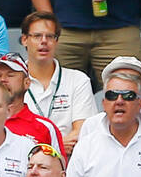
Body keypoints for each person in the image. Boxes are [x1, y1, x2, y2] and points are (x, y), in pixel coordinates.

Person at [21, 11, 96, 154]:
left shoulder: (78, 80)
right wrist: (56, 145)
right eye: (37, 36)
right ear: (24, 40)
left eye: (50, 36)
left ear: (57, 41)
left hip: (68, 163)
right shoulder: (13, 82)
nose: (44, 41)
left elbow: (83, 131)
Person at [0, 54, 65, 151]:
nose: (3, 80)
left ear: (27, 83)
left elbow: (58, 169)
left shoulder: (45, 127)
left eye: (10, 75)